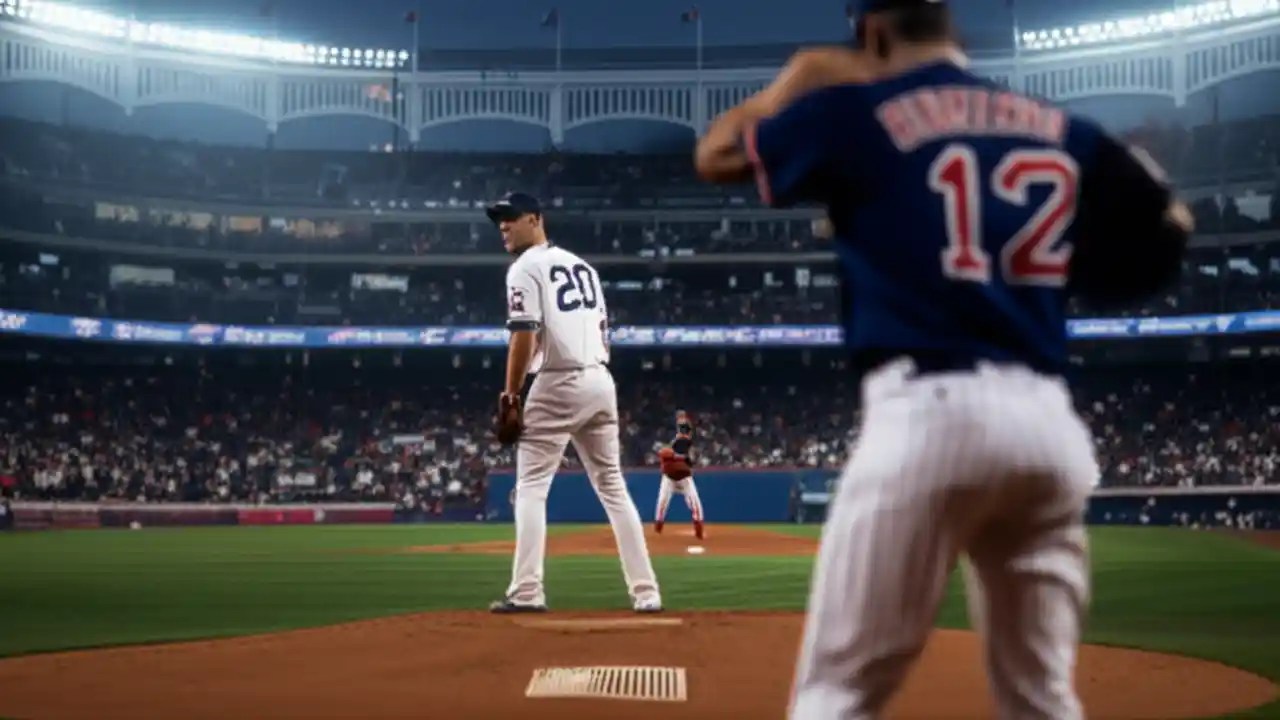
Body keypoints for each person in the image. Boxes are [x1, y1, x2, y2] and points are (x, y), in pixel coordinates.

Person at [694, 1, 1192, 717]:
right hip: (1048, 427)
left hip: (928, 415)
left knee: (838, 693)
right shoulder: (1059, 126)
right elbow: (1168, 231)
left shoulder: (857, 111)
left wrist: (797, 80)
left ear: (873, 31)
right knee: (1042, 698)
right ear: (950, 27)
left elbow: (716, 155)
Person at [485, 192, 663, 615]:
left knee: (530, 489)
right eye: (499, 221)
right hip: (600, 380)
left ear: (536, 219)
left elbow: (524, 333)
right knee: (614, 489)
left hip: (557, 379)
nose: (504, 226)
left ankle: (527, 592)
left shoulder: (524, 268)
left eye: (511, 218)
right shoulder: (583, 267)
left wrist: (512, 394)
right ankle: (647, 592)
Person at [654, 410, 705, 539]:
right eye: (683, 430)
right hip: (669, 478)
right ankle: (658, 525)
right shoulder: (673, 443)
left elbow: (690, 461)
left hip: (684, 478)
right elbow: (664, 455)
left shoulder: (688, 445)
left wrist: (678, 458)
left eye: (685, 430)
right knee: (662, 502)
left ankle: (698, 528)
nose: (684, 433)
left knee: (694, 501)